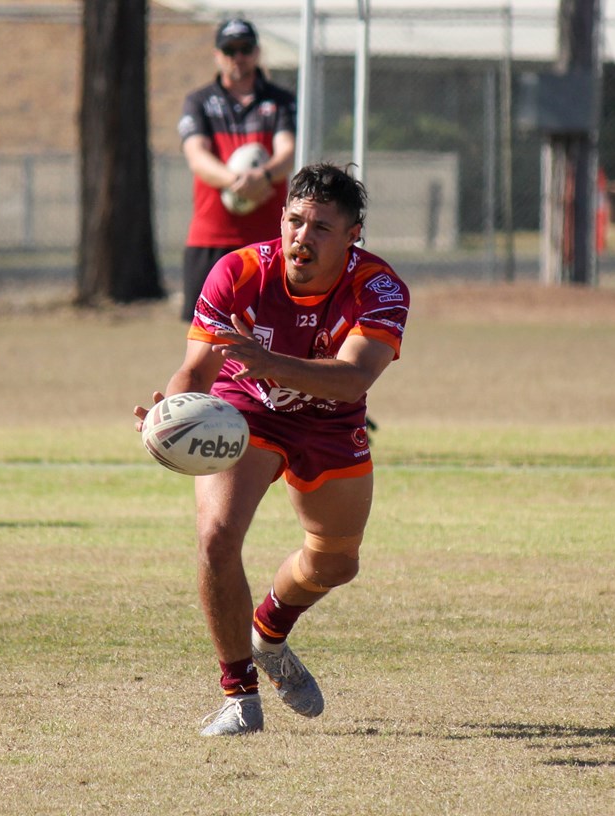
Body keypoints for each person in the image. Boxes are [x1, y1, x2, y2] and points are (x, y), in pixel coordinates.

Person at [133, 164, 411, 736]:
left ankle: (271, 632)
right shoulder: (237, 272)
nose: (302, 237)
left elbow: (354, 379)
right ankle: (239, 695)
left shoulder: (379, 288)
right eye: (294, 220)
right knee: (216, 536)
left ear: (354, 235)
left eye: (322, 228)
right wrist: (170, 416)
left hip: (330, 421)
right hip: (247, 410)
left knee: (336, 561)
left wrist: (272, 363)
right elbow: (197, 368)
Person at [176, 18, 297, 321]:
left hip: (267, 239)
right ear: (217, 54)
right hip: (211, 238)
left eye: (245, 49)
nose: (238, 57)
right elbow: (197, 156)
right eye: (229, 49)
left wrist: (265, 176)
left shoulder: (280, 102)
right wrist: (236, 181)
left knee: (271, 326)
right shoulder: (199, 102)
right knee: (206, 330)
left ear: (257, 52)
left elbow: (287, 151)